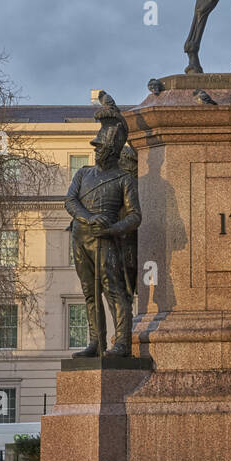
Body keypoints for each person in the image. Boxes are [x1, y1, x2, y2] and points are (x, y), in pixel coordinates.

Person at [65, 102, 141, 357]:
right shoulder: (83, 174)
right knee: (89, 292)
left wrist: (111, 230)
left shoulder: (124, 179)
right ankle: (96, 342)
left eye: (100, 147)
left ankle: (121, 343)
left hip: (105, 239)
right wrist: (89, 218)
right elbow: (70, 201)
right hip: (80, 236)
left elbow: (135, 216)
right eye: (96, 147)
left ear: (111, 150)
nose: (97, 151)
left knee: (113, 290)